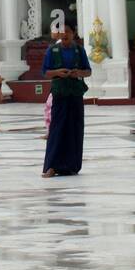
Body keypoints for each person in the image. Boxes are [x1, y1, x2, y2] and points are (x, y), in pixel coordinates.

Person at [42, 22, 91, 178]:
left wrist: (79, 73)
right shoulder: (52, 51)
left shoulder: (79, 50)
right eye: (61, 32)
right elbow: (45, 72)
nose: (64, 35)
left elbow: (88, 71)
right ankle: (51, 166)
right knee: (57, 128)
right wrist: (58, 72)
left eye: (68, 31)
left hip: (75, 94)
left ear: (73, 33)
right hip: (60, 93)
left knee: (75, 128)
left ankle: (71, 165)